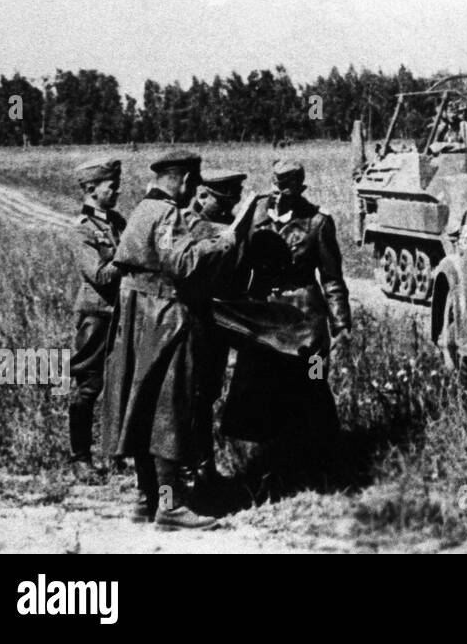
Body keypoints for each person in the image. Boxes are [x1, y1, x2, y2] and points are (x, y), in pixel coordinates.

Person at [101, 149, 245, 529]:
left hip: (137, 315)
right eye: (192, 184)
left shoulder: (141, 210)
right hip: (165, 316)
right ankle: (171, 506)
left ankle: (146, 499)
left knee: (143, 406)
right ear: (183, 180)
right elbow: (181, 263)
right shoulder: (166, 214)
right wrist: (225, 242)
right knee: (170, 408)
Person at [222, 159, 350, 489]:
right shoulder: (254, 215)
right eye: (278, 185)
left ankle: (323, 465)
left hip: (307, 319)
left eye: (290, 186)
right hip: (265, 316)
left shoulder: (319, 222)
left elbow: (332, 279)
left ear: (300, 187)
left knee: (314, 386)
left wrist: (341, 325)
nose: (282, 193)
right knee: (266, 389)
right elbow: (234, 258)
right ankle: (272, 468)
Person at [182, 169, 247, 488]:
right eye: (222, 201)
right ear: (201, 195)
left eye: (233, 200)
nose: (228, 208)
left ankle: (203, 467)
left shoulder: (222, 223)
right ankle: (189, 468)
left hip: (217, 322)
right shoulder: (186, 224)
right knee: (190, 395)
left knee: (206, 393)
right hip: (191, 322)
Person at [69, 157, 125, 474]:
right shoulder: (82, 230)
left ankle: (115, 454)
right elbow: (101, 276)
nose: (116, 191)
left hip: (121, 314)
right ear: (92, 189)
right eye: (111, 186)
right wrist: (130, 254)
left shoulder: (117, 222)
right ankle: (81, 459)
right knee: (89, 387)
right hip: (95, 317)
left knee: (119, 384)